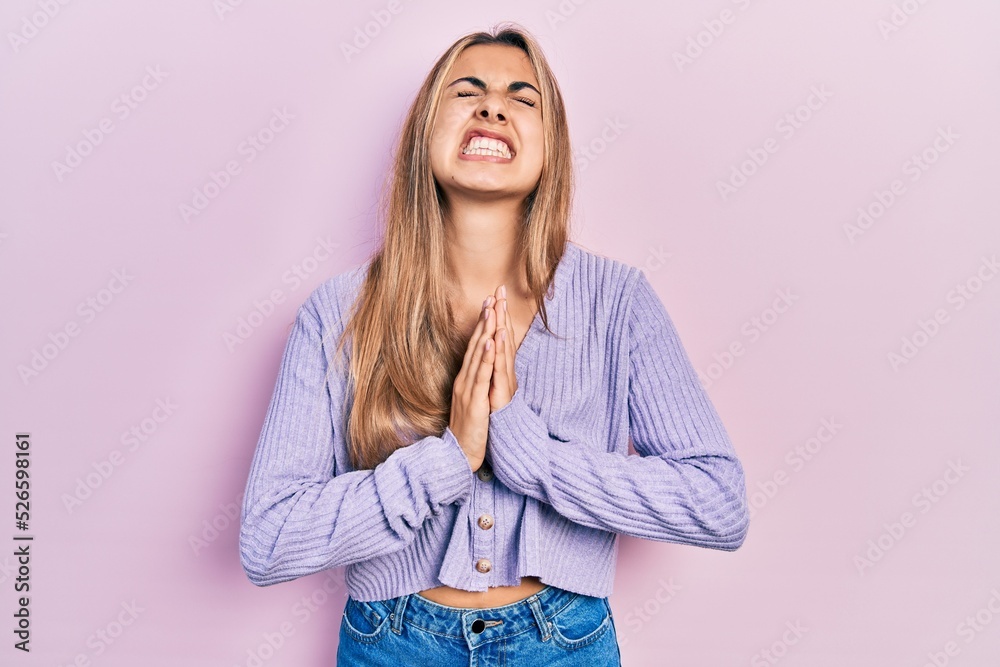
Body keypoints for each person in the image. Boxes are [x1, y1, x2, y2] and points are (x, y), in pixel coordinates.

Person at [239, 22, 749, 666]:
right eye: (467, 92)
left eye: (522, 98)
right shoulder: (339, 312)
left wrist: (531, 457)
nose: (492, 106)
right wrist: (443, 462)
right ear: (426, 131)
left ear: (551, 148)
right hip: (391, 644)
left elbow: (718, 504)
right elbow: (269, 539)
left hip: (562, 643)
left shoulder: (617, 301)